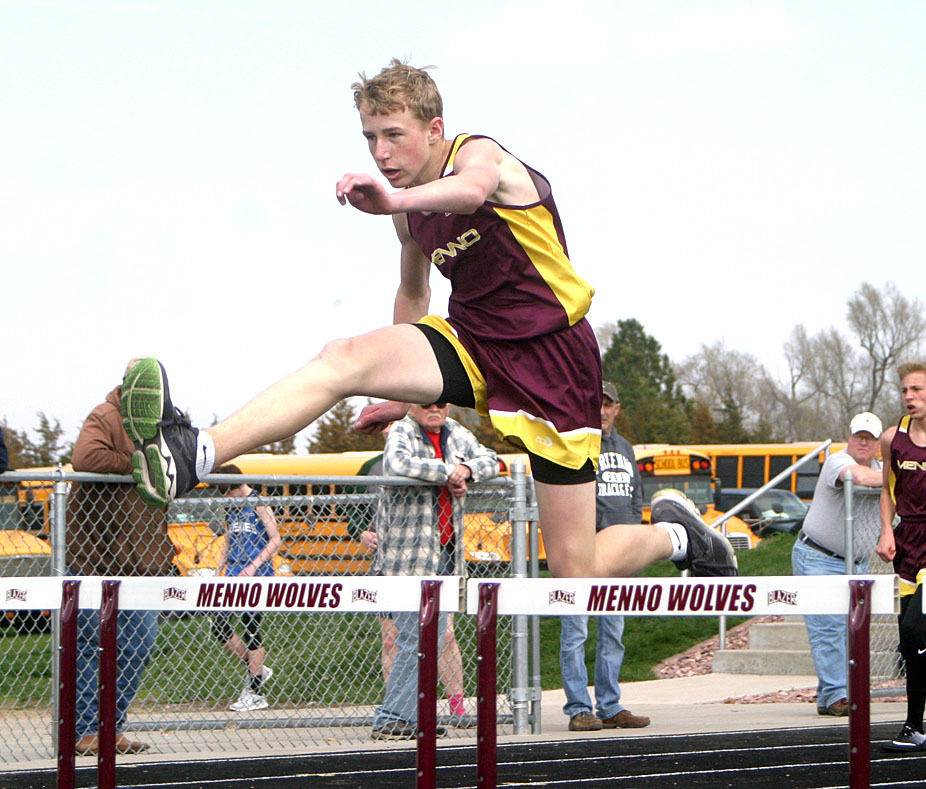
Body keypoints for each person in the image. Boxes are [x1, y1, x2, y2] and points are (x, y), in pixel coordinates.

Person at [120, 60, 734, 612]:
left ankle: (679, 535)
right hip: (474, 344)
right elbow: (414, 296)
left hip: (555, 361)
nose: (381, 152)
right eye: (369, 137)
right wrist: (400, 386)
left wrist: (392, 199)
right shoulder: (411, 213)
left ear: (434, 129)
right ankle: (195, 453)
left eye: (394, 135)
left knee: (575, 572)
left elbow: (470, 192)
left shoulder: (481, 157)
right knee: (344, 358)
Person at [367, 402, 498, 739]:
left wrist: (465, 471)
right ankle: (394, 717)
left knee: (431, 639)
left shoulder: (456, 432)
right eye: (426, 402)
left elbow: (491, 460)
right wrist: (447, 472)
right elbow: (397, 463)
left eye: (440, 402)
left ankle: (408, 716)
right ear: (413, 404)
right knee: (413, 639)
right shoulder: (403, 429)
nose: (434, 408)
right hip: (407, 558)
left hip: (446, 555)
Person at [67, 364, 177, 755]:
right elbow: (86, 457)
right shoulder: (106, 415)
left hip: (142, 558)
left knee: (139, 643)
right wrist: (136, 464)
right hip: (95, 554)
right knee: (88, 645)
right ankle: (83, 730)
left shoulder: (164, 424)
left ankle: (109, 726)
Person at [561, 382, 650, 732]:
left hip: (618, 557)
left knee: (613, 633)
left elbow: (634, 499)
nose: (600, 410)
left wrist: (630, 541)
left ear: (616, 408)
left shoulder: (626, 448)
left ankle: (610, 705)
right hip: (583, 555)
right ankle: (579, 708)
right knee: (576, 633)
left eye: (607, 405)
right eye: (595, 403)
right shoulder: (576, 443)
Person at [791, 412, 884, 717]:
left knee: (853, 632)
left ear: (877, 445)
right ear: (849, 437)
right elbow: (857, 478)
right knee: (828, 629)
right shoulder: (837, 460)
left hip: (858, 564)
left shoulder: (884, 468)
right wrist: (901, 477)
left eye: (870, 439)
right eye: (859, 435)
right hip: (818, 557)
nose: (863, 442)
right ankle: (836, 695)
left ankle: (830, 695)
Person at [877, 361, 926, 752]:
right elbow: (886, 491)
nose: (910, 397)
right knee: (908, 643)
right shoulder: (893, 438)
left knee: (915, 629)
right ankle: (913, 726)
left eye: (918, 390)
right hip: (906, 540)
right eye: (905, 391)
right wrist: (885, 530)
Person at [209, 464, 282, 712]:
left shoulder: (258, 502)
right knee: (219, 625)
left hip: (256, 573)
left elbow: (276, 538)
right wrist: (218, 568)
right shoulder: (231, 506)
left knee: (251, 626)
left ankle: (255, 692)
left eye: (229, 492)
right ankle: (258, 669)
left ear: (239, 486)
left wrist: (253, 565)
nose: (227, 498)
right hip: (233, 572)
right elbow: (228, 538)